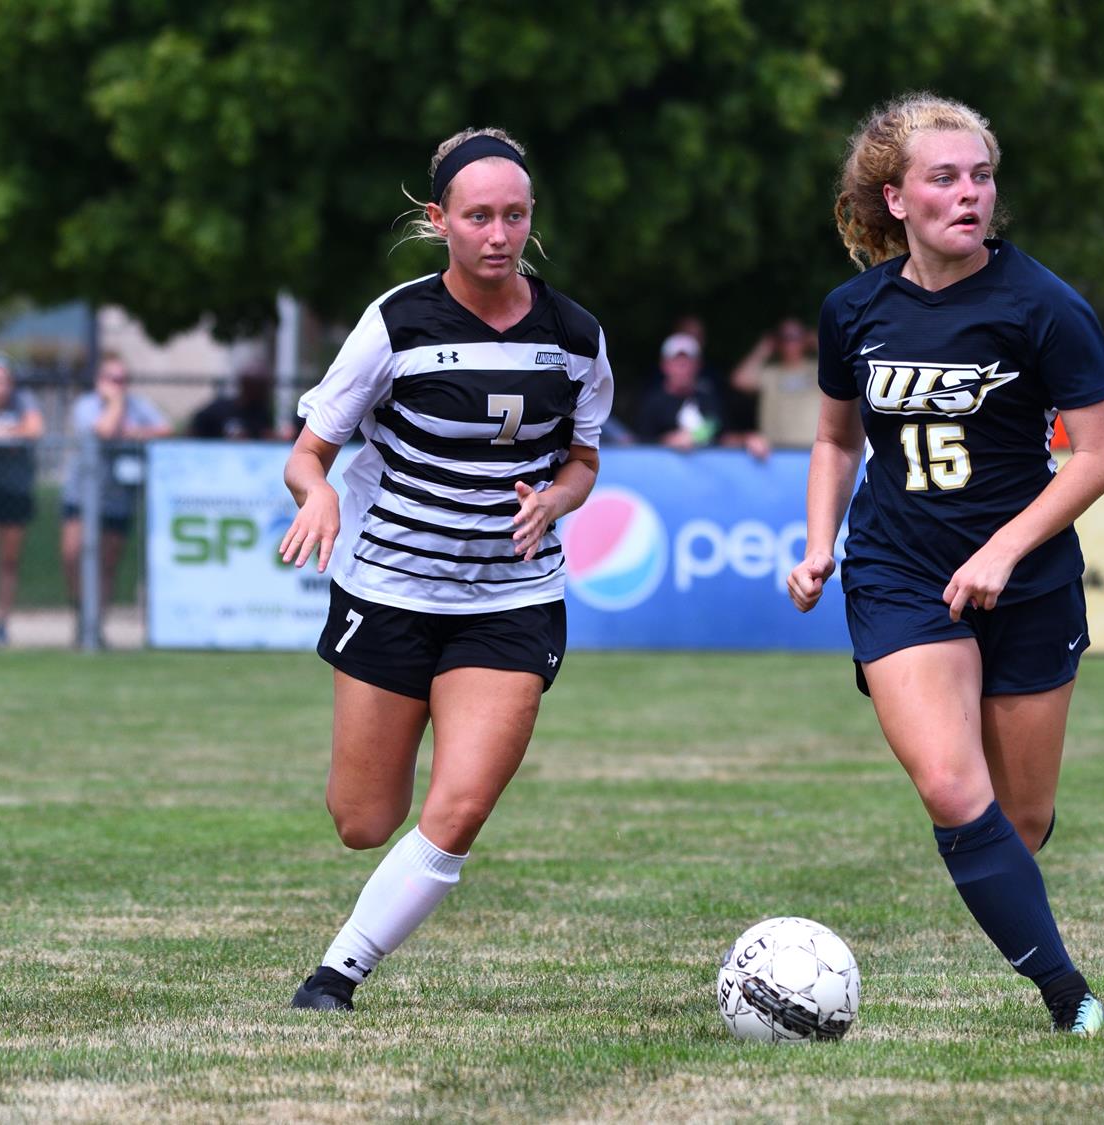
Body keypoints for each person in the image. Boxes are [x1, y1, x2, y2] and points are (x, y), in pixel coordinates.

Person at [785, 93, 1104, 1034]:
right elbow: (833, 439)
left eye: (981, 176)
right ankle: (1070, 994)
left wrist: (1005, 550)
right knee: (949, 783)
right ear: (896, 199)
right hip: (898, 568)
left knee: (1020, 821)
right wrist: (820, 542)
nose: (969, 193)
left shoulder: (1046, 306)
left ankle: (1028, 935)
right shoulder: (853, 310)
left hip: (1029, 579)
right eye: (945, 177)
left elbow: (1099, 455)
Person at [278, 127, 613, 1011]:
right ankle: (407, 723)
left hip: (511, 600)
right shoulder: (394, 323)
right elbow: (308, 453)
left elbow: (583, 460)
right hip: (388, 590)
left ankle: (336, 973)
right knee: (363, 821)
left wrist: (558, 498)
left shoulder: (574, 336)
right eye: (478, 217)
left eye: (514, 215)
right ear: (440, 221)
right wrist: (318, 495)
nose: (498, 233)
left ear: (530, 219)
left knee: (458, 809)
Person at [59, 354, 172, 611]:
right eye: (112, 379)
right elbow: (105, 431)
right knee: (73, 556)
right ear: (99, 380)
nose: (118, 385)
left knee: (107, 564)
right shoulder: (85, 406)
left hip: (117, 499)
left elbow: (165, 429)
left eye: (123, 380)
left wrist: (131, 429)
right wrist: (116, 404)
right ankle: (81, 613)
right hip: (82, 496)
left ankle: (96, 622)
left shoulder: (137, 405)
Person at [0, 354, 44, 646]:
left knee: (10, 560)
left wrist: (4, 432)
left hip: (15, 491)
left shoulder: (23, 401)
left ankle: (2, 623)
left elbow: (35, 429)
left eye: (2, 380)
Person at [731, 317, 818, 452]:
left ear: (806, 339)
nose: (790, 342)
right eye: (784, 337)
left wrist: (820, 342)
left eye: (795, 336)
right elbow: (739, 380)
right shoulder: (770, 373)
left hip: (812, 451)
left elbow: (845, 372)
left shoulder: (819, 369)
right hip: (774, 453)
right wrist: (763, 348)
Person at [633, 333, 723, 449]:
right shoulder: (652, 403)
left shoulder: (709, 400)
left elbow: (720, 431)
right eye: (677, 363)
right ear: (664, 365)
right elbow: (640, 444)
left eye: (687, 363)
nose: (682, 369)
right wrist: (667, 441)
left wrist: (694, 437)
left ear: (698, 366)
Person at [189, 365, 286, 441]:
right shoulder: (218, 409)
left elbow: (261, 438)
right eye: (258, 388)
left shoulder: (261, 413)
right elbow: (194, 433)